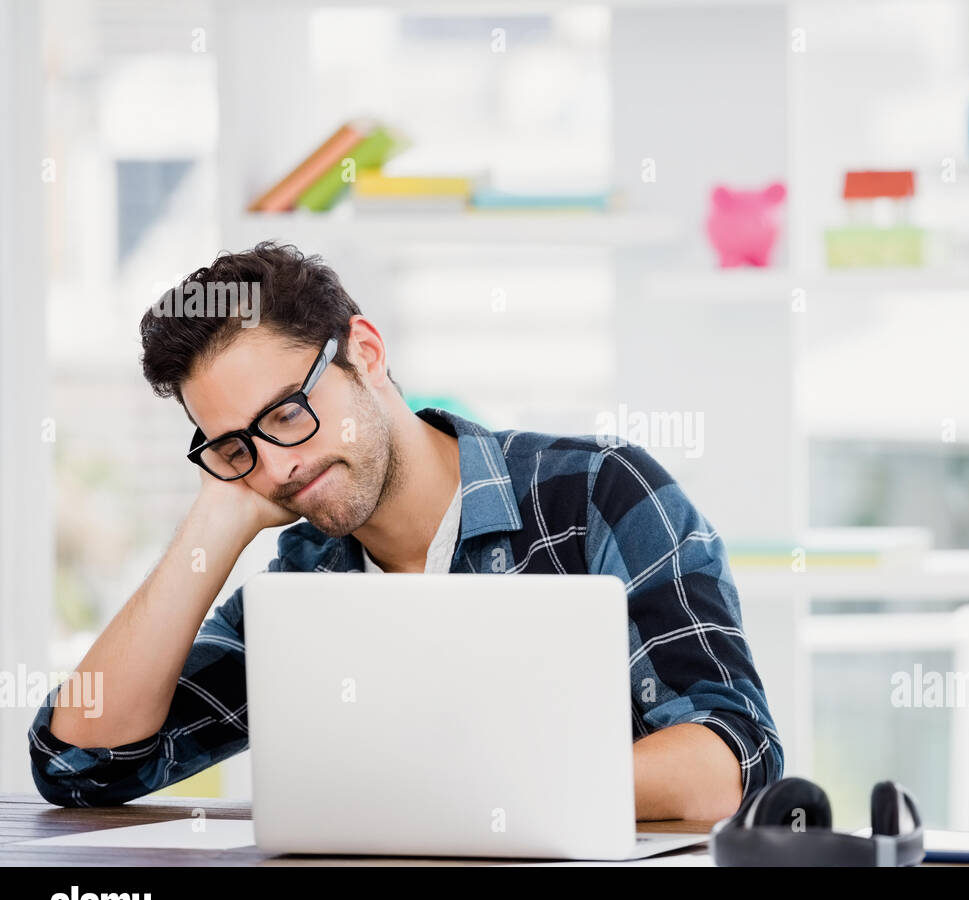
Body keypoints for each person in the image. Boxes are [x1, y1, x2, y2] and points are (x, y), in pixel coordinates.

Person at [28, 241, 783, 821]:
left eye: (288, 413)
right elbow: (81, 765)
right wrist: (216, 516)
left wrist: (470, 783)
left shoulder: (597, 492)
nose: (280, 465)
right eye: (237, 446)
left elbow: (734, 758)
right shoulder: (305, 584)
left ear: (367, 352)